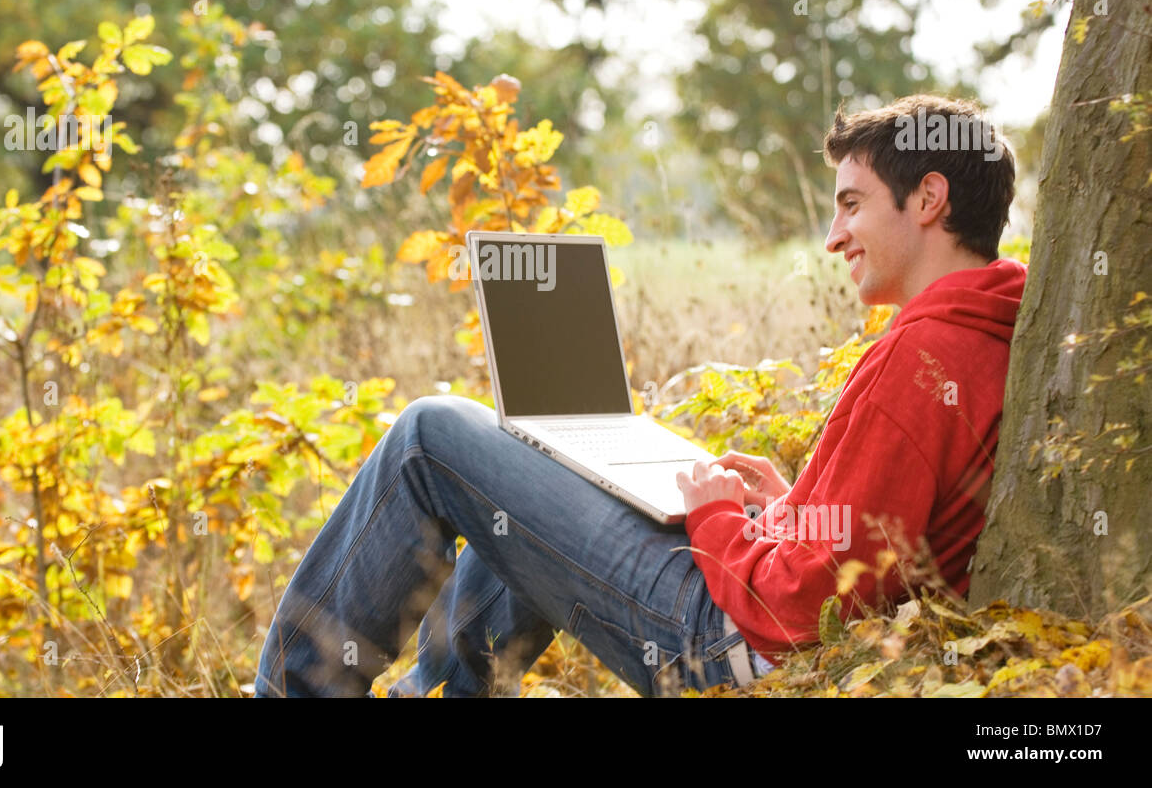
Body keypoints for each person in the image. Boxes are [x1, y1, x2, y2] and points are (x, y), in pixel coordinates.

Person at [254, 94, 1025, 697]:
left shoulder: (924, 353)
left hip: (729, 646)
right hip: (767, 626)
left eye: (851, 204)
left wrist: (721, 520)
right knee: (546, 454)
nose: (833, 235)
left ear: (928, 199)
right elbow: (875, 548)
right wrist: (789, 507)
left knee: (431, 432)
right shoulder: (990, 335)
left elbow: (802, 607)